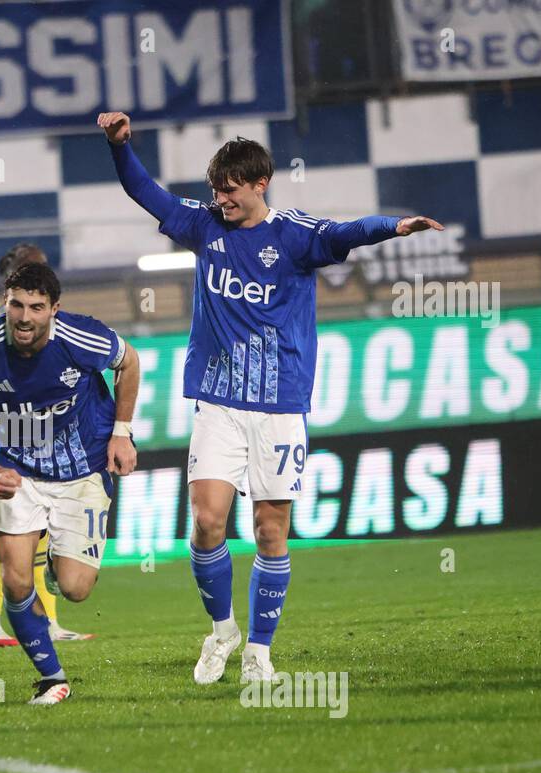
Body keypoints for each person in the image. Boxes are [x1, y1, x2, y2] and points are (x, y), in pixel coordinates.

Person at [98, 111, 442, 684]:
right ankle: (222, 630)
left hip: (281, 405)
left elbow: (344, 233)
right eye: (215, 189)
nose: (221, 198)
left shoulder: (292, 235)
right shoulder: (203, 225)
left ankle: (258, 651)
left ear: (261, 184)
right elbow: (145, 191)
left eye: (230, 189)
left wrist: (394, 225)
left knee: (268, 531)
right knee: (207, 522)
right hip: (217, 400)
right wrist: (120, 146)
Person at [0, 263, 140, 704]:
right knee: (16, 581)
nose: (24, 317)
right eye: (16, 304)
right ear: (5, 303)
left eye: (36, 307)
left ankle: (59, 564)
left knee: (75, 589)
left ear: (54, 309)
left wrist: (122, 432)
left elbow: (129, 362)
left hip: (83, 471)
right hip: (20, 473)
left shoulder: (82, 337)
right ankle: (52, 677)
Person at [0, 243, 93, 648]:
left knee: (34, 536)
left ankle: (46, 621)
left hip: (22, 438)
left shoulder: (30, 323)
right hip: (1, 442)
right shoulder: (3, 329)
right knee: (16, 534)